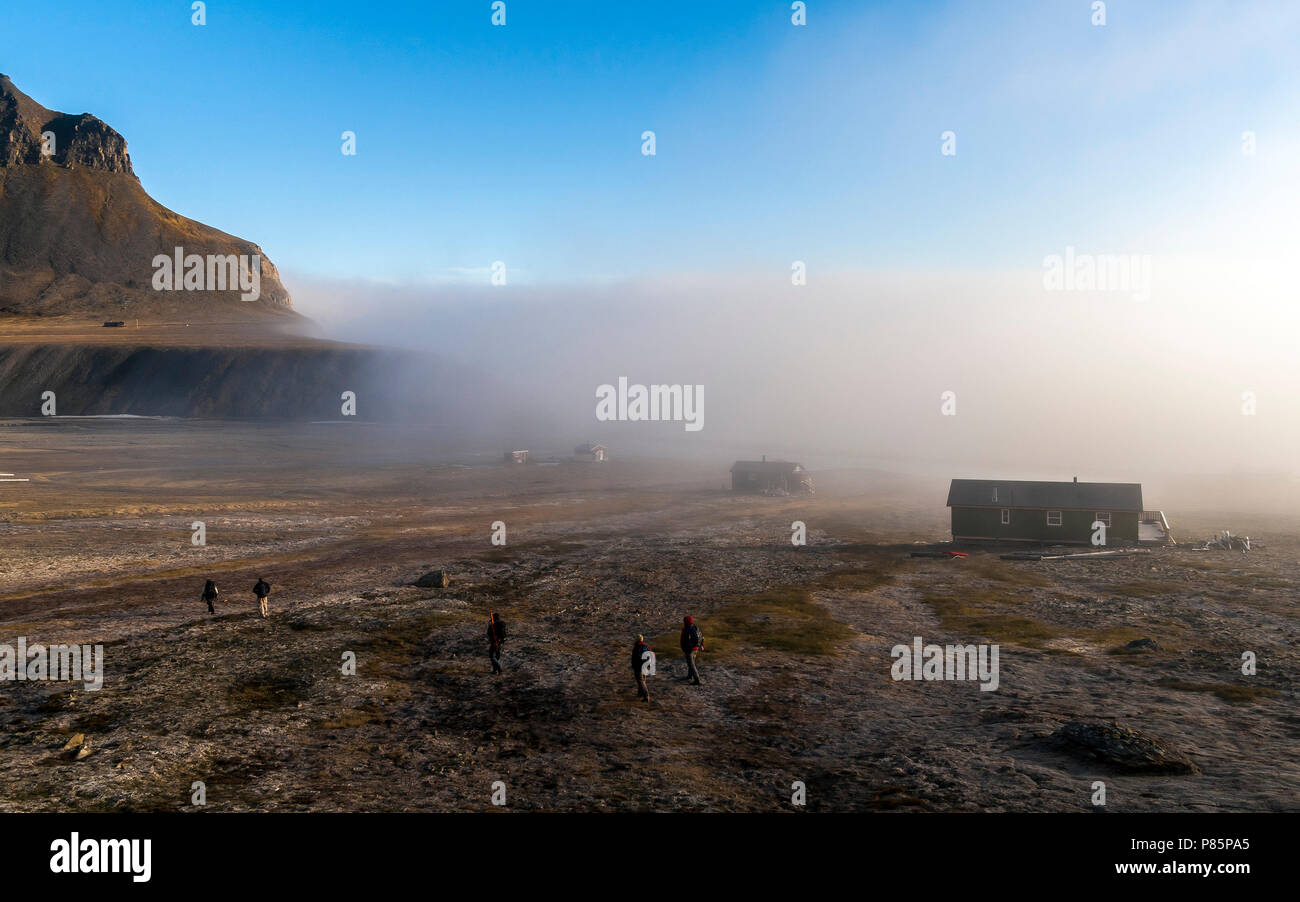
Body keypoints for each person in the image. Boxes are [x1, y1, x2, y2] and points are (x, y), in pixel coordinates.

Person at [680, 615, 704, 685]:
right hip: (696, 648)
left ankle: (697, 680)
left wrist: (686, 648)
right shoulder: (695, 627)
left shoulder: (687, 629)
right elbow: (702, 636)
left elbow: (684, 640)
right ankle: (689, 676)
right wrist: (702, 645)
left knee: (691, 664)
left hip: (690, 650)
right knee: (691, 663)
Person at [632, 634, 653, 702]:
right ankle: (640, 694)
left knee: (641, 681)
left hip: (639, 667)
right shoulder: (646, 646)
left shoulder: (637, 647)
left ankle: (646, 696)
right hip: (646, 666)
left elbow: (635, 658)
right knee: (642, 680)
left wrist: (635, 666)